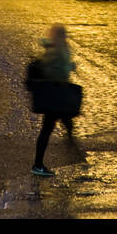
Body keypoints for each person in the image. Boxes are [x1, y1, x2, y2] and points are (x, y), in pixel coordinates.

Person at [31, 23, 82, 177]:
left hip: (53, 94)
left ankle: (70, 136)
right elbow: (58, 71)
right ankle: (38, 165)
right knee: (47, 129)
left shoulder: (51, 48)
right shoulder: (58, 51)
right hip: (55, 94)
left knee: (59, 120)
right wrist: (70, 66)